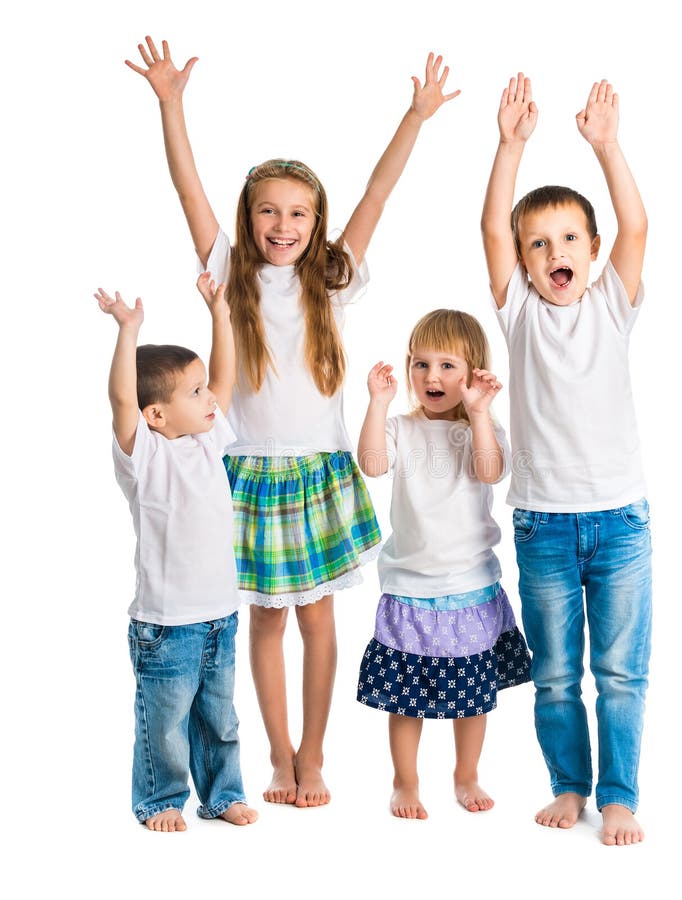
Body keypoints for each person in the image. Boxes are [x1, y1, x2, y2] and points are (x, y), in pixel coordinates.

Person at [126, 36, 460, 808]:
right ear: (248, 218)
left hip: (318, 467)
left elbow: (375, 196)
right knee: (265, 626)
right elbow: (187, 190)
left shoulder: (331, 279)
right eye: (268, 211)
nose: (283, 224)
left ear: (316, 221)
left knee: (317, 621)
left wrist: (415, 116)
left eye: (298, 213)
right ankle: (277, 757)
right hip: (245, 469)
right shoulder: (229, 275)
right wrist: (171, 104)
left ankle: (313, 755)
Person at [481, 75, 651, 846]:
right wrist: (508, 146)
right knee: (554, 675)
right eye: (538, 243)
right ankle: (568, 786)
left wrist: (606, 146)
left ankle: (617, 796)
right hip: (543, 525)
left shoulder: (611, 303)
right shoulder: (518, 311)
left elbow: (636, 224)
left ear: (592, 251)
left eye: (570, 239)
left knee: (618, 672)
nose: (555, 252)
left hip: (619, 522)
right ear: (523, 263)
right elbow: (491, 228)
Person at [97, 273, 258, 832]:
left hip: (219, 615)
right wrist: (129, 329)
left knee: (220, 718)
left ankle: (222, 794)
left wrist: (220, 313)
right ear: (156, 415)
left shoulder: (208, 441)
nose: (210, 397)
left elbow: (227, 378)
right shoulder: (143, 456)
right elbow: (123, 398)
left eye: (203, 389)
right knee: (164, 722)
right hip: (166, 625)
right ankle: (160, 799)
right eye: (194, 392)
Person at [356, 309, 531, 819]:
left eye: (447, 366)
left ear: (474, 372)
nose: (431, 376)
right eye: (421, 364)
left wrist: (478, 414)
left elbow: (490, 471)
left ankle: (466, 774)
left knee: (473, 695)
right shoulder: (400, 428)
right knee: (404, 698)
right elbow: (372, 464)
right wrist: (377, 403)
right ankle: (405, 781)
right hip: (410, 586)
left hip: (470, 584)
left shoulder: (484, 426)